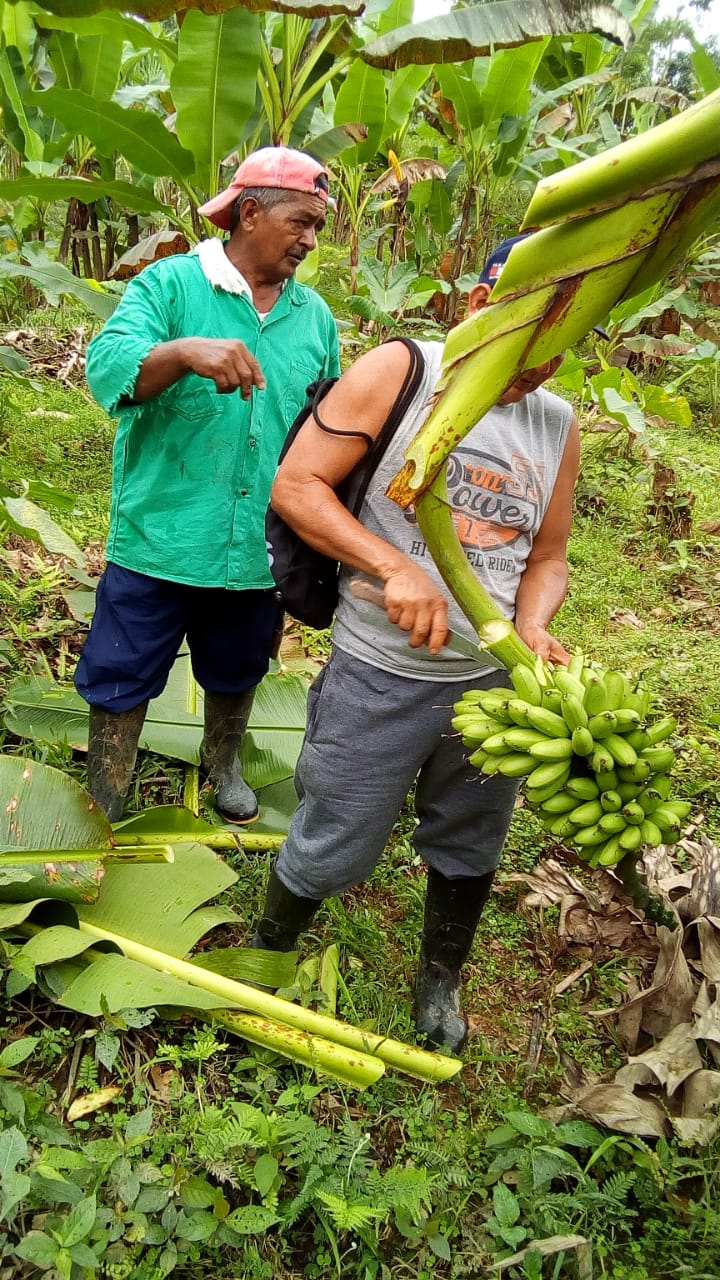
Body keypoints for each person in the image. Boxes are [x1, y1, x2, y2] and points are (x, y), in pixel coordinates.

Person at [251, 237, 581, 1052]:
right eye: (526, 345)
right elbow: (297, 486)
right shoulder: (400, 371)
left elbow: (547, 557)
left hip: (492, 681)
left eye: (556, 354)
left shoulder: (557, 421)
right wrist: (391, 563)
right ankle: (271, 952)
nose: (535, 371)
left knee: (472, 835)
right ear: (479, 305)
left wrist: (533, 622)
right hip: (382, 668)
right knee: (338, 826)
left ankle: (440, 978)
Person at [75, 147, 341, 825]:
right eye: (302, 222)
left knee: (238, 665)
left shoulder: (313, 317)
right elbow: (109, 368)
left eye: (318, 226)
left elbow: (329, 421)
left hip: (258, 546)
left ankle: (222, 764)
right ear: (250, 213)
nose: (311, 240)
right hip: (162, 534)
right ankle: (106, 788)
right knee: (120, 670)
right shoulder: (169, 287)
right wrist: (184, 352)